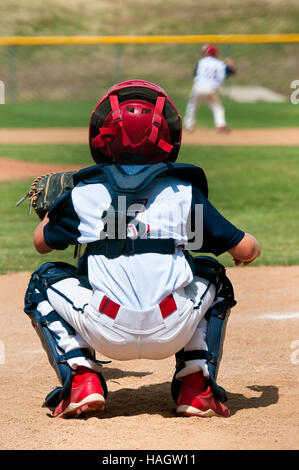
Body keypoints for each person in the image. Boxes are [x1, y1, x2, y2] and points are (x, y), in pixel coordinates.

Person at [24, 79, 260, 420]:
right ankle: (196, 385)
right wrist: (246, 252)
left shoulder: (84, 193)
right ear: (167, 136)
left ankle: (81, 377)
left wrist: (54, 211)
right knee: (213, 274)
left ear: (102, 135)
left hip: (105, 327)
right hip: (172, 325)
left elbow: (41, 244)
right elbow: (246, 247)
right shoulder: (183, 192)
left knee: (43, 280)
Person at [184, 43, 236, 133]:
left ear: (207, 53)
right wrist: (230, 65)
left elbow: (195, 74)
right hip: (211, 89)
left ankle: (189, 125)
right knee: (217, 107)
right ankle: (220, 124)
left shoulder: (201, 62)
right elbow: (231, 72)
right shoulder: (220, 64)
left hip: (198, 87)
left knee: (192, 106)